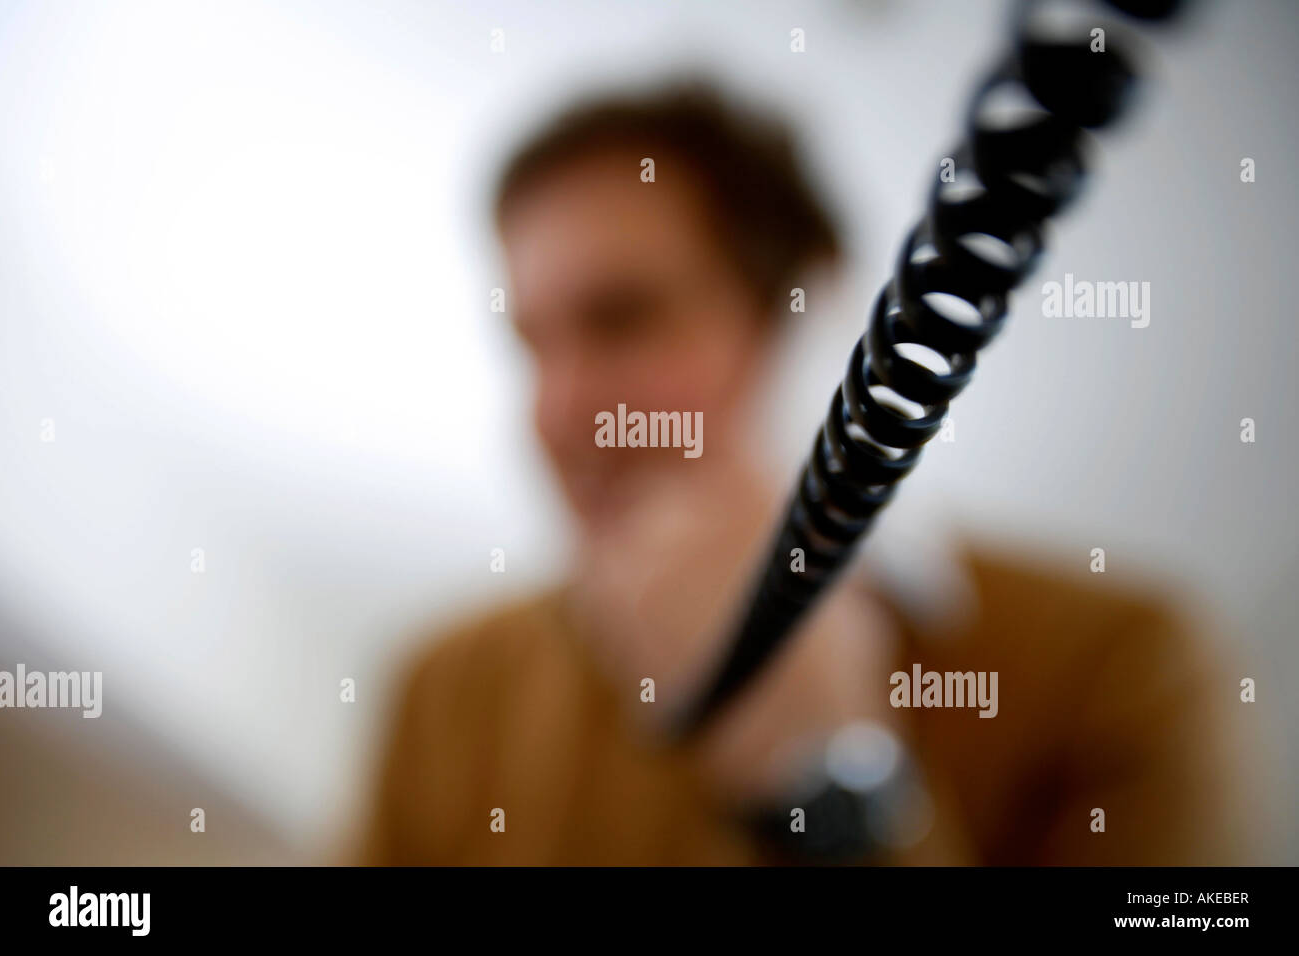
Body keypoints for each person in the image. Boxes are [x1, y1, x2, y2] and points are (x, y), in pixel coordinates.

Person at [358, 81, 1242, 865]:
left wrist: (832, 798)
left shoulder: (1124, 669)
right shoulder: (443, 694)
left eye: (622, 319)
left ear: (798, 309)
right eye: (532, 347)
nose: (555, 412)